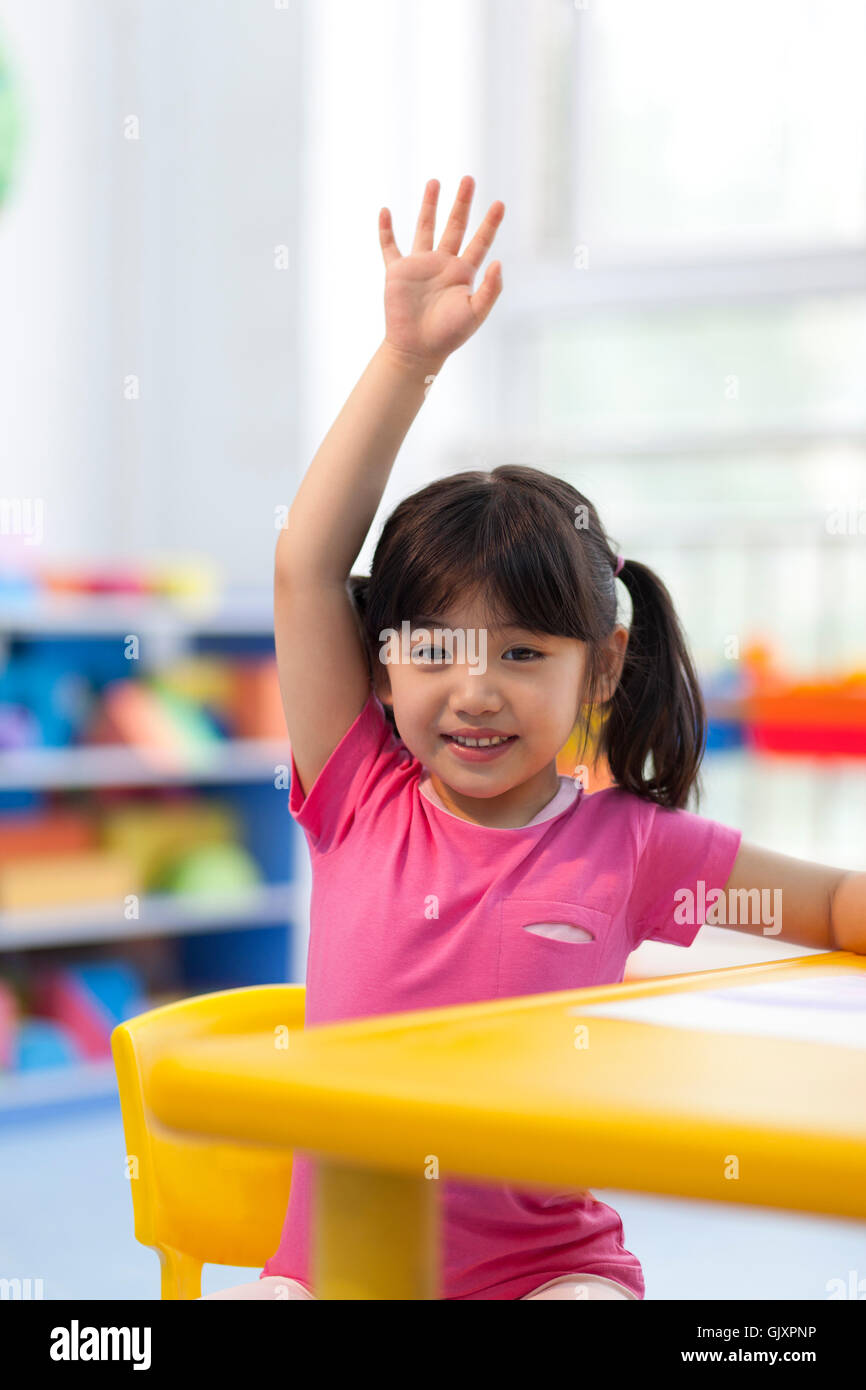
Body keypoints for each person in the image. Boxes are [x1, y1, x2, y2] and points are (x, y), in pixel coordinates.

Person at [201, 175, 866, 1302]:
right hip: (336, 1269)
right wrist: (408, 362)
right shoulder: (358, 791)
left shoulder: (637, 852)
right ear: (379, 662)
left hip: (546, 1273)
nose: (474, 690)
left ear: (598, 667)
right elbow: (306, 565)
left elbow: (826, 908)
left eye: (521, 654)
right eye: (434, 649)